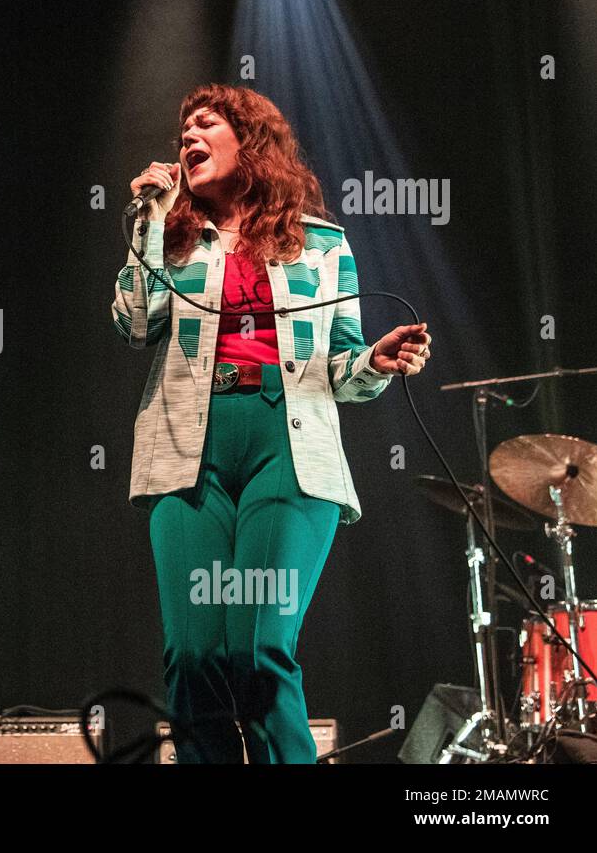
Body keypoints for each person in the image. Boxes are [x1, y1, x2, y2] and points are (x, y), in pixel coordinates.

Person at [111, 83, 432, 763]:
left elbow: (343, 371)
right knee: (195, 657)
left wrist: (375, 357)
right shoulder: (171, 237)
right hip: (186, 450)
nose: (188, 139)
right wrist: (148, 217)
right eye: (182, 133)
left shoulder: (321, 245)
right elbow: (136, 325)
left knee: (257, 651)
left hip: (285, 452)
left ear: (250, 142)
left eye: (205, 124)